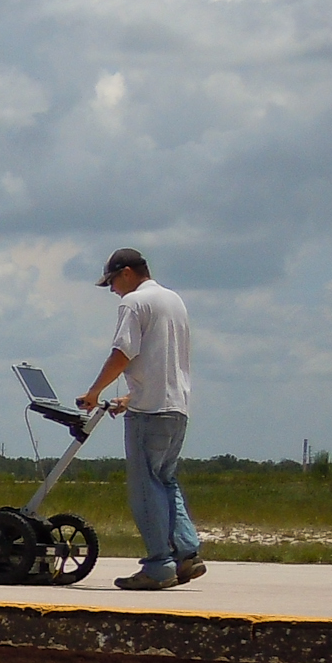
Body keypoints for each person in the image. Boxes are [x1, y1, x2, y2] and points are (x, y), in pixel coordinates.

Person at [75, 247, 205, 591]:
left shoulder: (134, 303)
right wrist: (129, 397)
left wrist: (93, 392)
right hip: (176, 408)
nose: (113, 290)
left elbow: (124, 353)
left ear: (128, 272)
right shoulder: (174, 300)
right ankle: (187, 553)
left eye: (113, 282)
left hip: (149, 413)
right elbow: (165, 361)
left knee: (145, 489)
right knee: (165, 481)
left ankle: (159, 565)